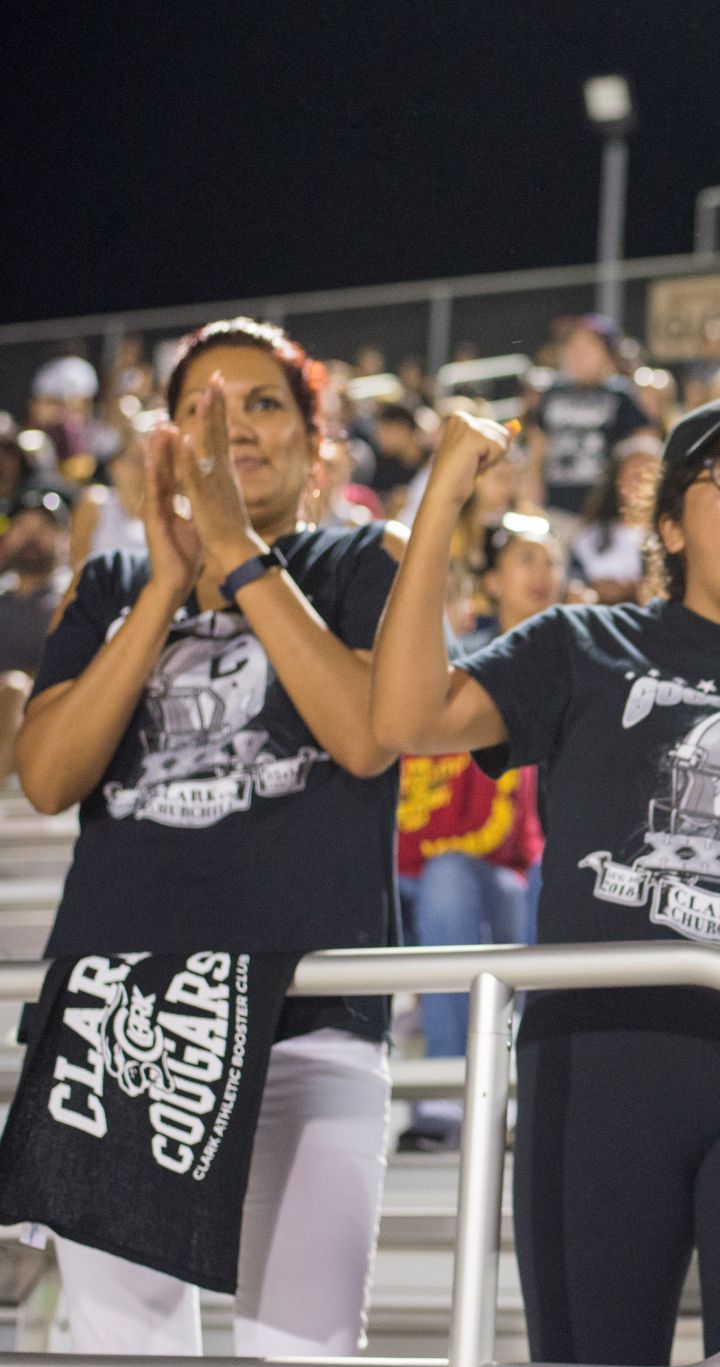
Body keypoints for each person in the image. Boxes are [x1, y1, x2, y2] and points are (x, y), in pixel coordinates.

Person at [370, 391, 720, 1362]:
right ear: (668, 525)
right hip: (598, 1066)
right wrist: (441, 499)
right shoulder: (584, 645)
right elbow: (405, 717)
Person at [14, 318, 404, 1355]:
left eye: (262, 403)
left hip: (306, 1012)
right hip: (117, 1010)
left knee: (303, 1348)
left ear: (316, 444)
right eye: (201, 408)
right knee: (122, 1349)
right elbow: (47, 775)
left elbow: (366, 735)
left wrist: (234, 554)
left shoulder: (363, 559)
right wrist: (161, 587)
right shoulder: (110, 585)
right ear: (166, 443)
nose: (231, 427)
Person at [390, 519, 556, 1151]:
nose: (542, 574)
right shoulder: (398, 686)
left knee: (454, 880)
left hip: (505, 876)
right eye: (526, 560)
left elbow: (508, 830)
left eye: (550, 561)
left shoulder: (542, 669)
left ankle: (459, 1091)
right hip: (412, 874)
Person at [525, 315, 660, 518]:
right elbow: (537, 445)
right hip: (556, 506)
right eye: (572, 348)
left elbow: (644, 446)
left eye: (587, 348)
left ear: (607, 356)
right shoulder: (553, 393)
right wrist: (530, 493)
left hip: (603, 511)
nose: (578, 355)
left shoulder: (619, 395)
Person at [569, 432, 662, 604]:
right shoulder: (591, 536)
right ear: (618, 480)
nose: (642, 483)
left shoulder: (669, 536)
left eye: (650, 474)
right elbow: (575, 583)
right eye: (636, 475)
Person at [0, 489, 69, 677]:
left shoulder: (75, 600)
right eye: (21, 526)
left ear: (65, 538)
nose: (31, 537)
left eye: (43, 528)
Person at [68, 429, 151, 570]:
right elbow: (77, 562)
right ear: (115, 465)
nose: (142, 468)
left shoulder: (168, 511)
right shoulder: (95, 502)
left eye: (148, 461)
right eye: (136, 460)